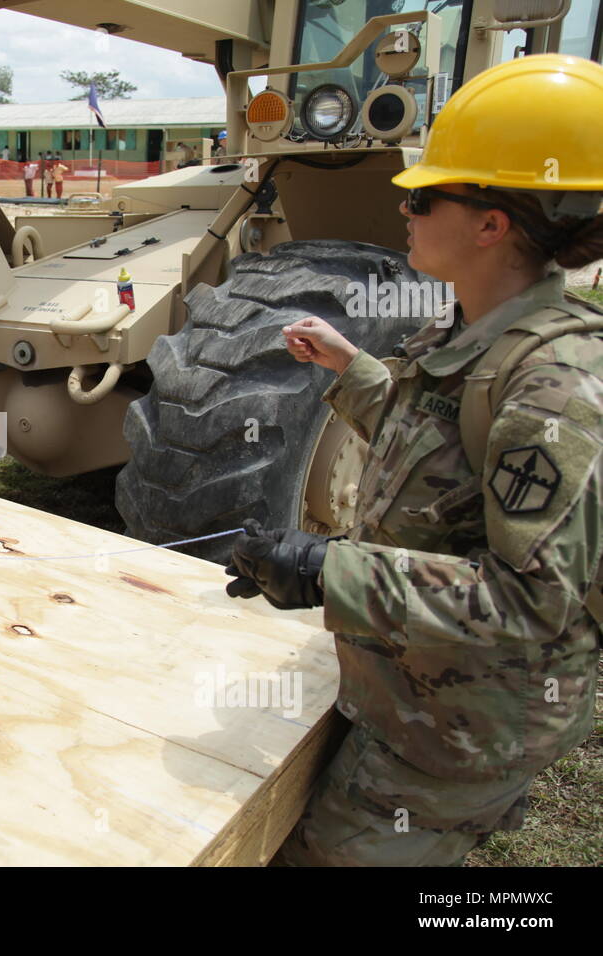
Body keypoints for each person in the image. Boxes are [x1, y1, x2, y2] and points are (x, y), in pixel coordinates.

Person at [225, 54, 603, 866]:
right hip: (416, 692)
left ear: (492, 223)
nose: (406, 206)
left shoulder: (552, 389)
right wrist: (350, 367)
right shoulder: (472, 332)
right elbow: (433, 435)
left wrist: (328, 571)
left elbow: (531, 604)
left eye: (425, 195)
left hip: (462, 727)